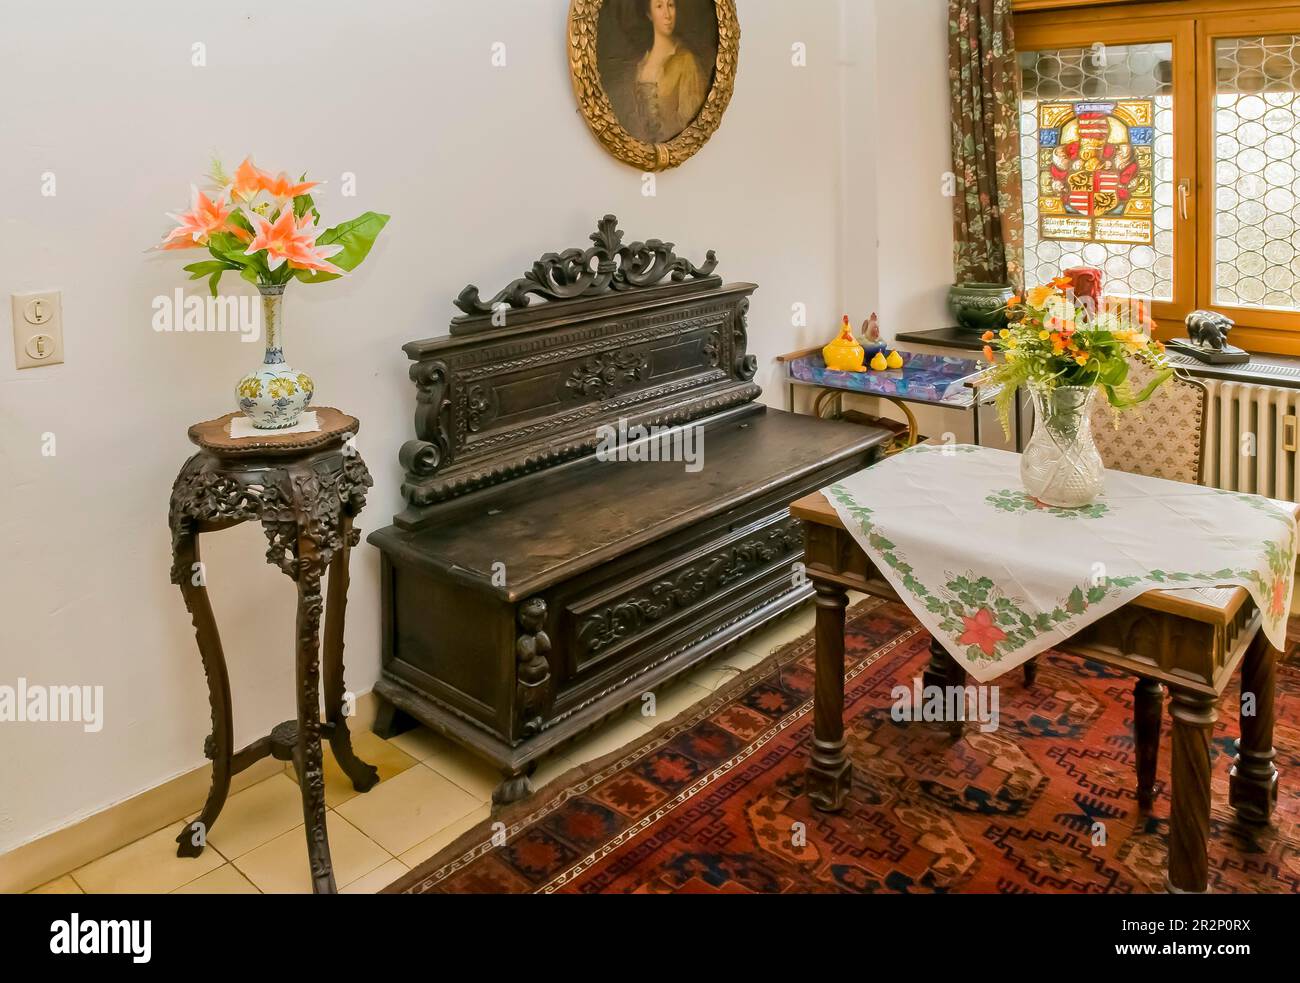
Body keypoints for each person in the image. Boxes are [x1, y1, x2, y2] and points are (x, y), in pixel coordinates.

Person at [619, 0, 708, 144]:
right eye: (659, 6)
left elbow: (693, 124)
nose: (667, 15)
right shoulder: (641, 65)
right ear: (649, 14)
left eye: (671, 5)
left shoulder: (685, 60)